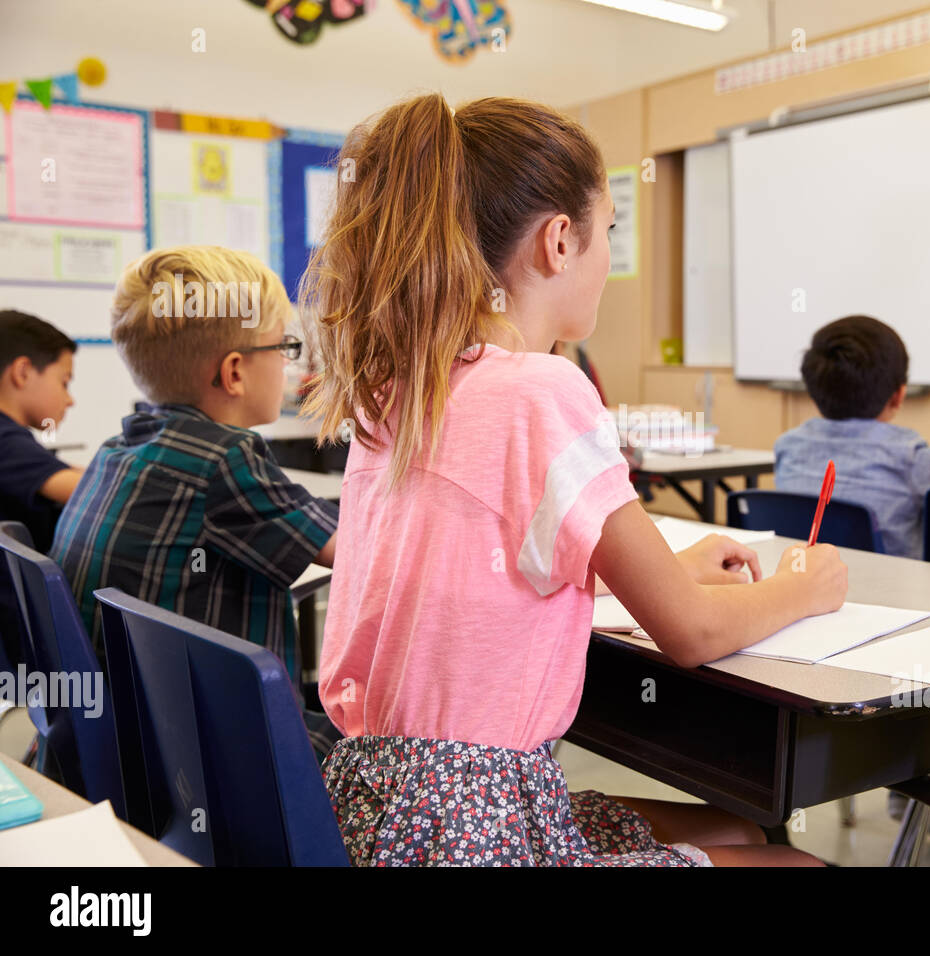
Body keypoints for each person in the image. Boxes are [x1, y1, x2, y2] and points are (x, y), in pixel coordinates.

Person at [307, 93, 845, 867]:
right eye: (610, 234)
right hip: (474, 826)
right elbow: (691, 634)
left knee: (736, 830)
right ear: (559, 241)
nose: (607, 260)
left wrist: (646, 576)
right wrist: (809, 585)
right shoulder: (542, 389)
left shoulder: (402, 386)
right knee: (793, 862)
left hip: (376, 806)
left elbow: (465, 583)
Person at [49, 246, 342, 757]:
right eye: (284, 346)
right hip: (220, 760)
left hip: (127, 748)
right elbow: (362, 553)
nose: (289, 364)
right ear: (234, 373)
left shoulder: (120, 447)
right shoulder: (226, 459)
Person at [775, 314, 930, 560]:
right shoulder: (911, 458)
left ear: (812, 389)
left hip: (807, 592)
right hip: (894, 594)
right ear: (899, 395)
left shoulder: (787, 447)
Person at [0, 311, 84, 666]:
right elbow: (90, 490)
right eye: (64, 382)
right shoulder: (6, 441)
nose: (70, 400)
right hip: (22, 650)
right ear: (22, 373)